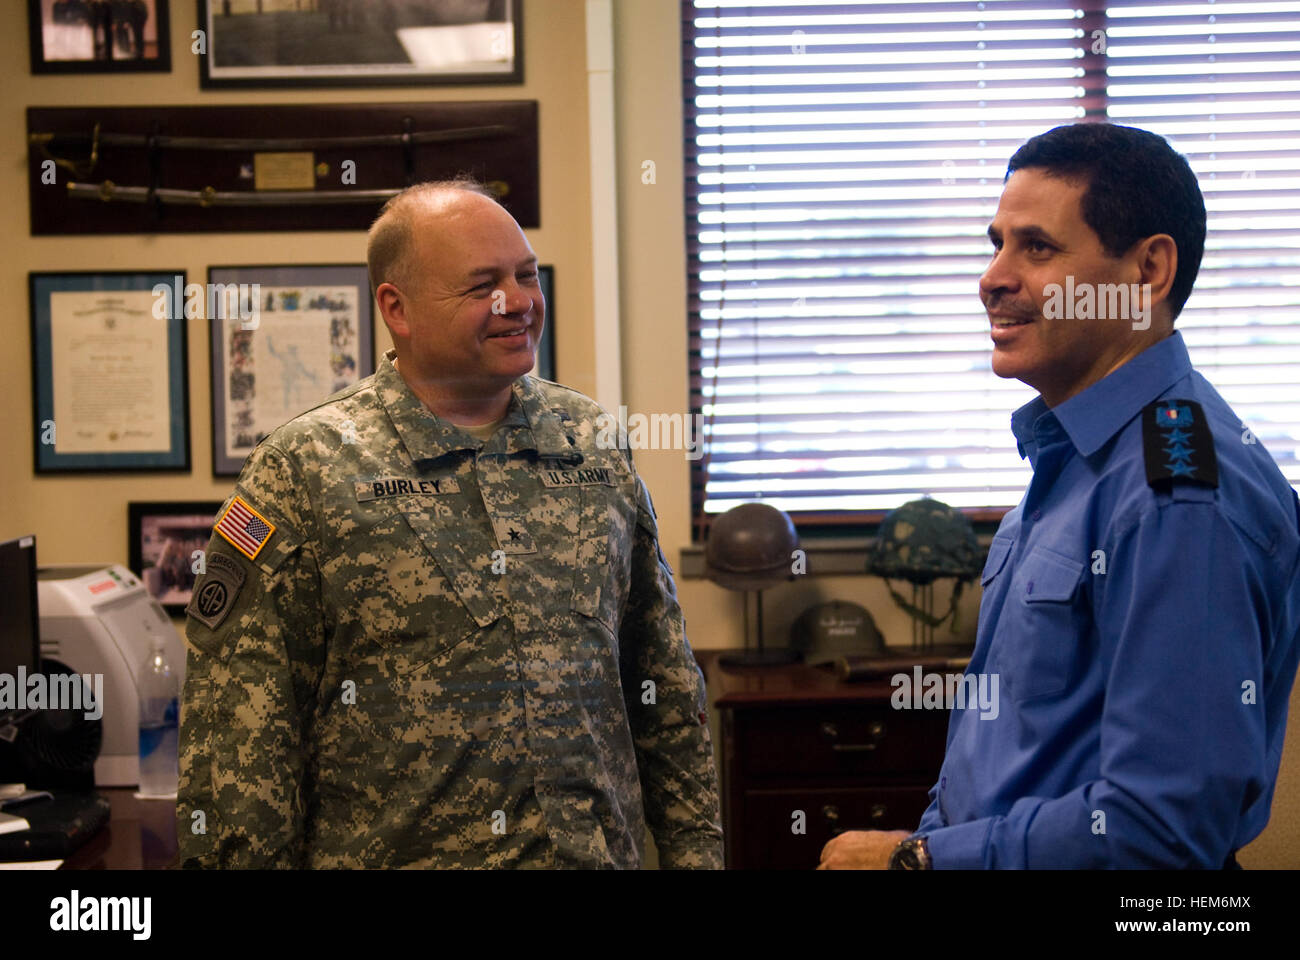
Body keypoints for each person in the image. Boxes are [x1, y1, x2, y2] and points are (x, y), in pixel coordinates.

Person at [177, 180, 723, 869]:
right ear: (396, 309)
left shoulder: (592, 445)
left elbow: (665, 688)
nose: (519, 301)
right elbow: (239, 741)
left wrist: (696, 857)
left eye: (526, 275)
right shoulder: (302, 473)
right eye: (482, 286)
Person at [820, 122, 1300, 869]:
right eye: (996, 243)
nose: (993, 278)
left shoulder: (1175, 493)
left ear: (1148, 272)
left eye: (1037, 248)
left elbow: (1161, 827)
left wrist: (914, 863)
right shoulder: (1078, 458)